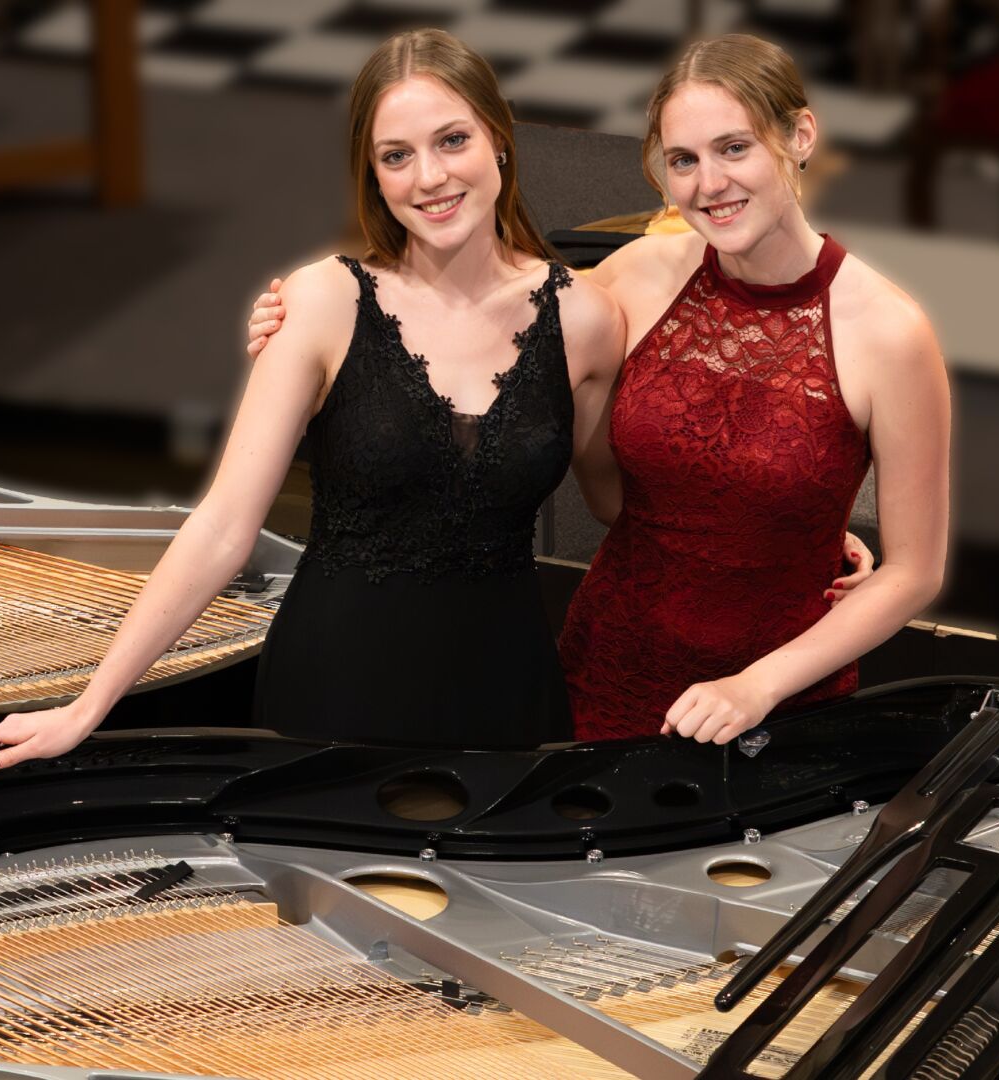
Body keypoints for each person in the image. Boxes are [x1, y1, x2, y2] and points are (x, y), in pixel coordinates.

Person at [0, 29, 624, 766]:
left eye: (452, 140)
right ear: (373, 174)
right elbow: (223, 526)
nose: (429, 177)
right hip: (335, 692)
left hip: (507, 698)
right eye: (396, 155)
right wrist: (87, 705)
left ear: (499, 140)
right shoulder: (324, 300)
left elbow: (617, 505)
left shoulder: (586, 319)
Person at [249, 34, 945, 747]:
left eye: (734, 148)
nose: (709, 183)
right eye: (683, 160)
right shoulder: (635, 276)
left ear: (800, 136)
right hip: (607, 670)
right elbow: (489, 330)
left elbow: (916, 573)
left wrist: (762, 670)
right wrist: (294, 327)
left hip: (777, 698)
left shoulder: (890, 332)